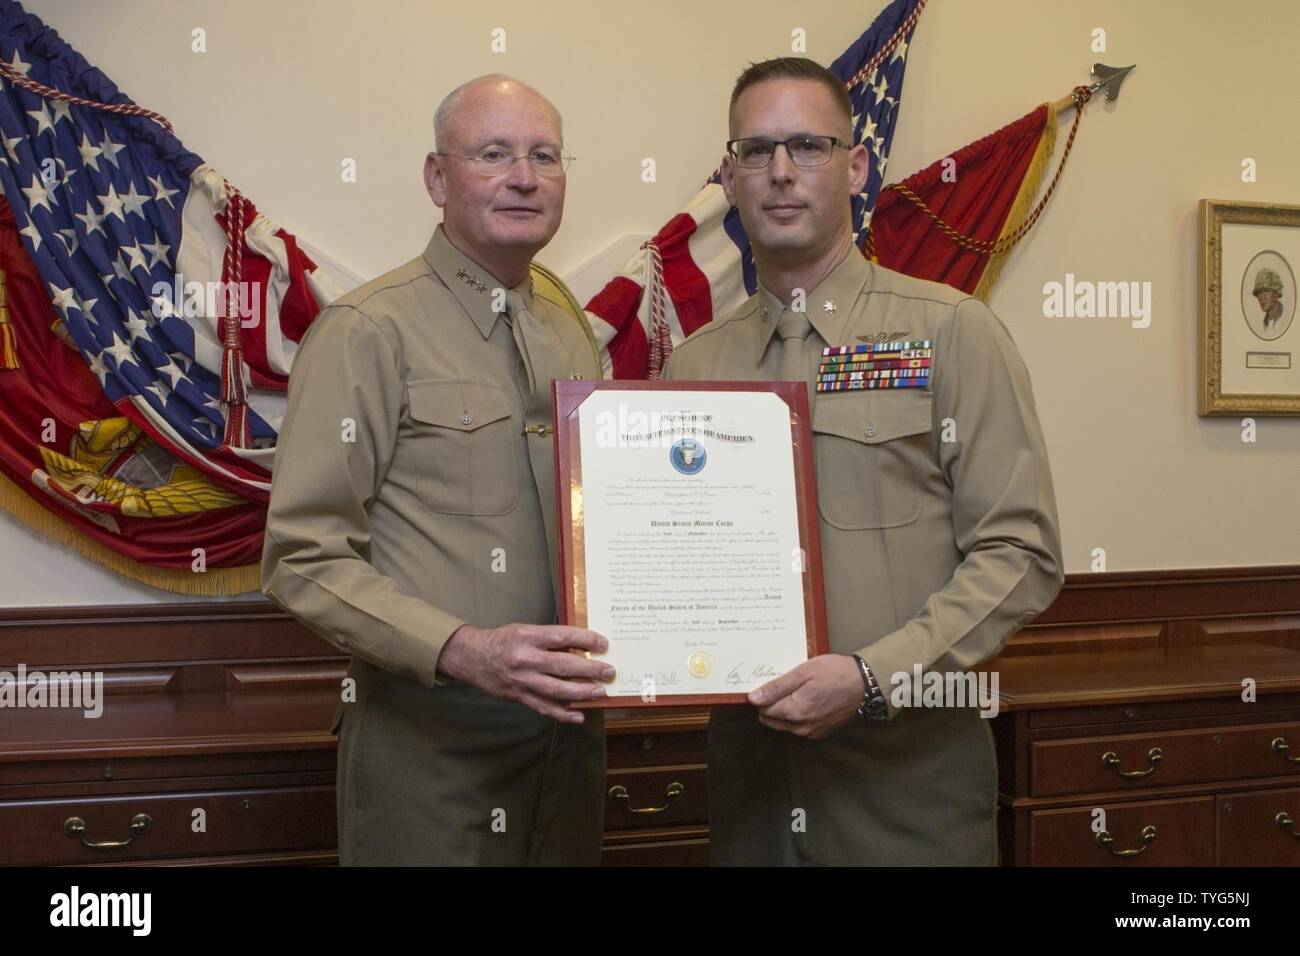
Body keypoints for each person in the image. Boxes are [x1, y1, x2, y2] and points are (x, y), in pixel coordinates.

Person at [661, 57, 1064, 865]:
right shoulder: (693, 367)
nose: (780, 172)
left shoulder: (951, 333)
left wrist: (874, 677)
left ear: (856, 167)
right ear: (731, 176)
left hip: (907, 791)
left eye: (808, 146)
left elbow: (1021, 555)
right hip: (754, 796)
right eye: (755, 149)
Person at [262, 75, 612, 865]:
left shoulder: (571, 336)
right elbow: (301, 558)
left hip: (569, 745)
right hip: (431, 749)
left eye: (545, 156)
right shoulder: (367, 331)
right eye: (494, 154)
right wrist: (463, 648)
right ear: (437, 178)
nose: (525, 177)